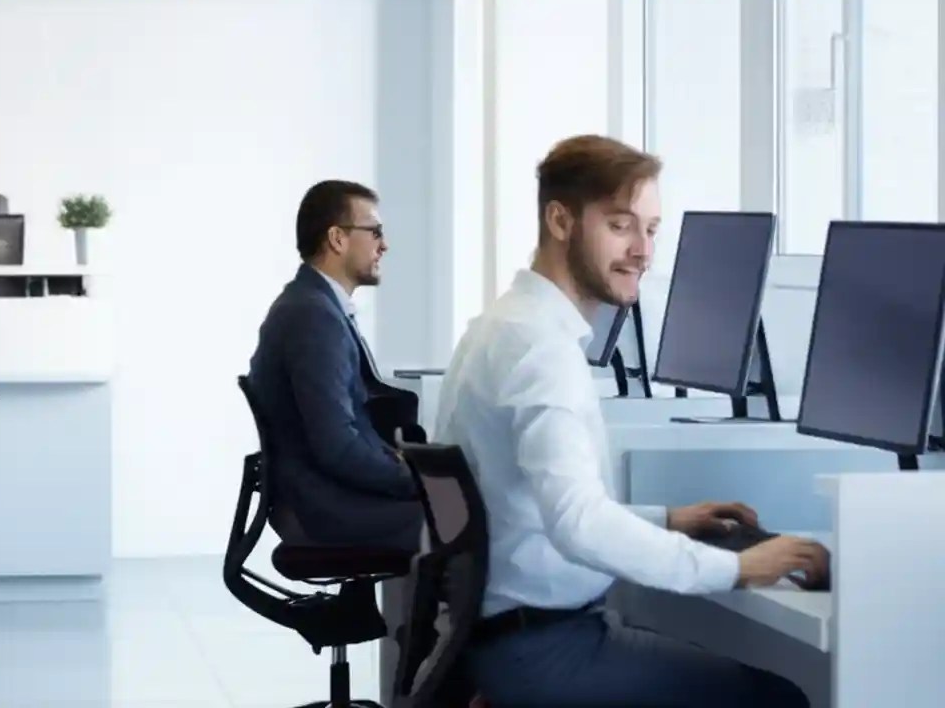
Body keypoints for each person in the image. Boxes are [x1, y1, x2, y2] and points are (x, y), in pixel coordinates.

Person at [435, 135, 827, 707]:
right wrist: (736, 567)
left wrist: (665, 518)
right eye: (621, 225)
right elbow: (576, 523)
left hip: (511, 639)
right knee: (779, 701)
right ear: (561, 220)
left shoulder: (501, 326)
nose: (643, 250)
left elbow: (523, 507)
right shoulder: (541, 350)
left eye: (652, 229)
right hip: (544, 651)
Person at [246, 179, 423, 552]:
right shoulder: (313, 316)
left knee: (455, 507)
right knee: (468, 520)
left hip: (317, 496)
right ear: (337, 239)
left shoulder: (311, 305)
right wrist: (414, 477)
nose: (384, 245)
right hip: (326, 506)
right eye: (375, 232)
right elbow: (337, 446)